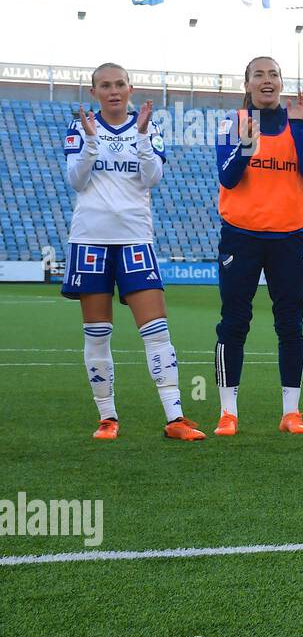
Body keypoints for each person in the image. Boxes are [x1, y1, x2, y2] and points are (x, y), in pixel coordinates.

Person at [61, 64, 204, 441]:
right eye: (105, 86)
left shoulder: (149, 128)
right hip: (90, 239)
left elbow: (151, 178)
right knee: (97, 332)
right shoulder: (80, 128)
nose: (113, 91)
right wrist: (92, 142)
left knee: (156, 330)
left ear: (129, 88)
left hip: (134, 240)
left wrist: (141, 136)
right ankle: (107, 418)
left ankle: (175, 418)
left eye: (119, 84)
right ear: (94, 93)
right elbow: (76, 180)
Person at [213, 56, 303, 435]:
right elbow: (227, 178)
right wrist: (245, 146)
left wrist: (300, 126)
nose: (266, 80)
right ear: (247, 84)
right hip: (241, 236)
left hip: (289, 237)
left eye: (273, 74)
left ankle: (291, 412)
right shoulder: (233, 122)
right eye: (258, 74)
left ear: (281, 82)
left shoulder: (301, 122)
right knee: (233, 323)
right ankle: (228, 412)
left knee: (290, 324)